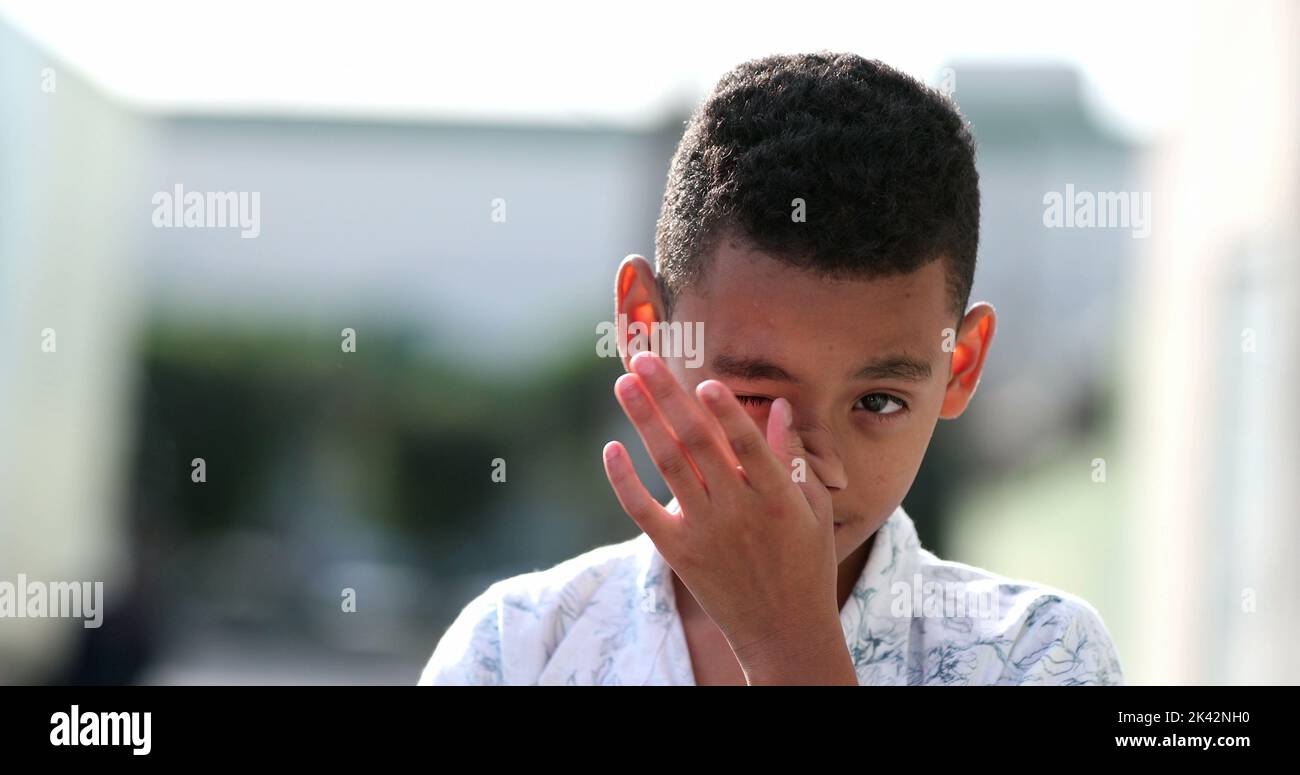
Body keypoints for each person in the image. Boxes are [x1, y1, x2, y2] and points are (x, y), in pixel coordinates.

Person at [419, 52, 1123, 685]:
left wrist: (788, 644)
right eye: (755, 398)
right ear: (645, 328)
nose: (813, 470)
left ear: (960, 364)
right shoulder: (515, 650)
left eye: (878, 401)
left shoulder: (1035, 654)